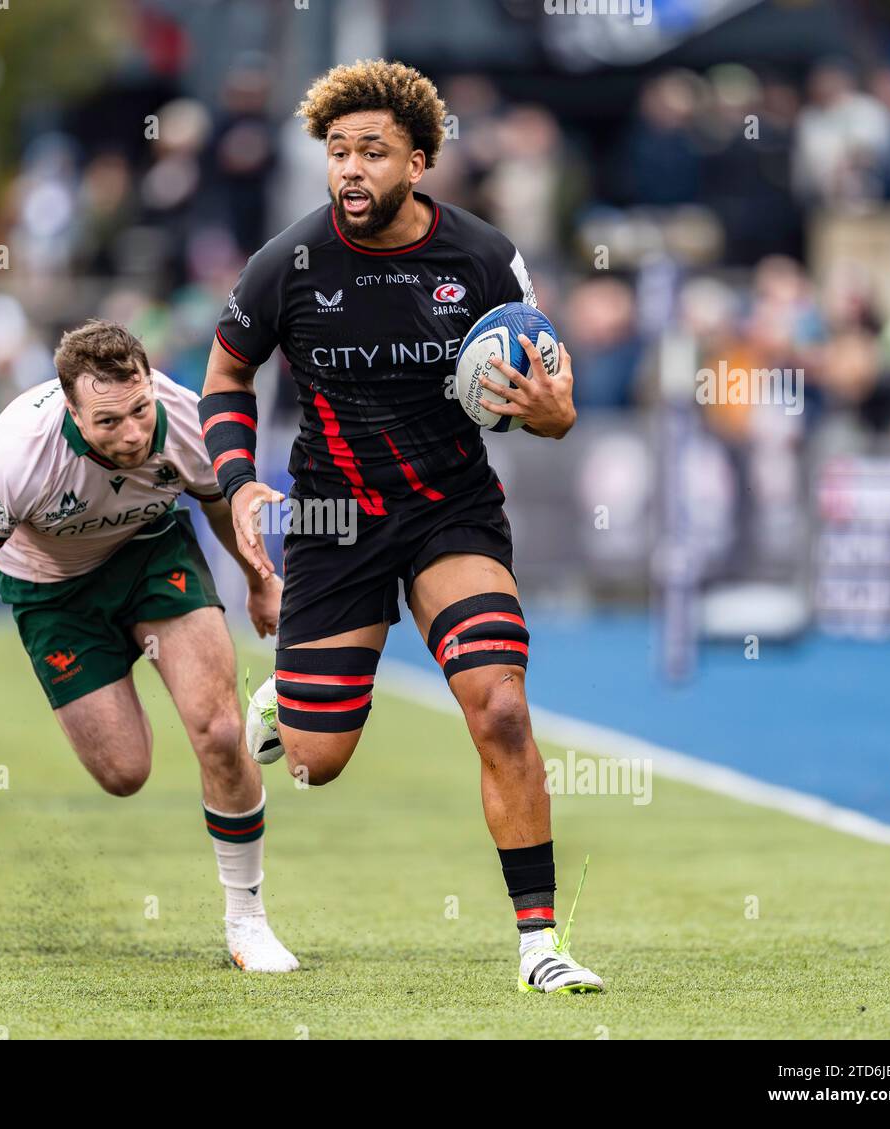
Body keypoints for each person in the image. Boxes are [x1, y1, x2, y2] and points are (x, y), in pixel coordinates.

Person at [198, 60, 602, 993]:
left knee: (499, 705)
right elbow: (226, 374)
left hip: (448, 511)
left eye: (372, 151)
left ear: (419, 160)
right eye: (337, 151)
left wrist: (549, 412)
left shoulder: (485, 259)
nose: (349, 168)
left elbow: (555, 407)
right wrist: (237, 481)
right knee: (315, 762)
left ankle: (538, 944)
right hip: (335, 521)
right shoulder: (286, 263)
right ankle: (284, 708)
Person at [0, 319, 297, 972]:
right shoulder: (17, 453)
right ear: (71, 408)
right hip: (53, 595)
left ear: (151, 385)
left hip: (149, 554)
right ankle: (119, 668)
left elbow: (214, 504)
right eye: (109, 420)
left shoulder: (183, 416)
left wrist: (262, 584)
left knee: (219, 729)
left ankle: (247, 921)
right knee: (125, 771)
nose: (130, 433)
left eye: (138, 410)